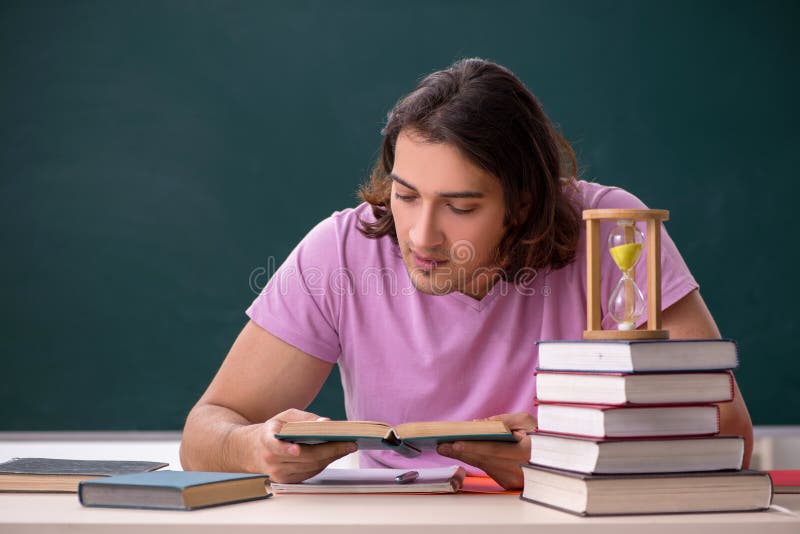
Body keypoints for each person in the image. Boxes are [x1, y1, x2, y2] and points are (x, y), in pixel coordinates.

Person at [180, 58, 752, 490]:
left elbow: (729, 437)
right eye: (405, 195)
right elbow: (204, 433)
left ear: (523, 202)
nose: (421, 236)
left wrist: (558, 456)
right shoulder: (342, 248)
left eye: (460, 207)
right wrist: (255, 447)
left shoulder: (611, 232)